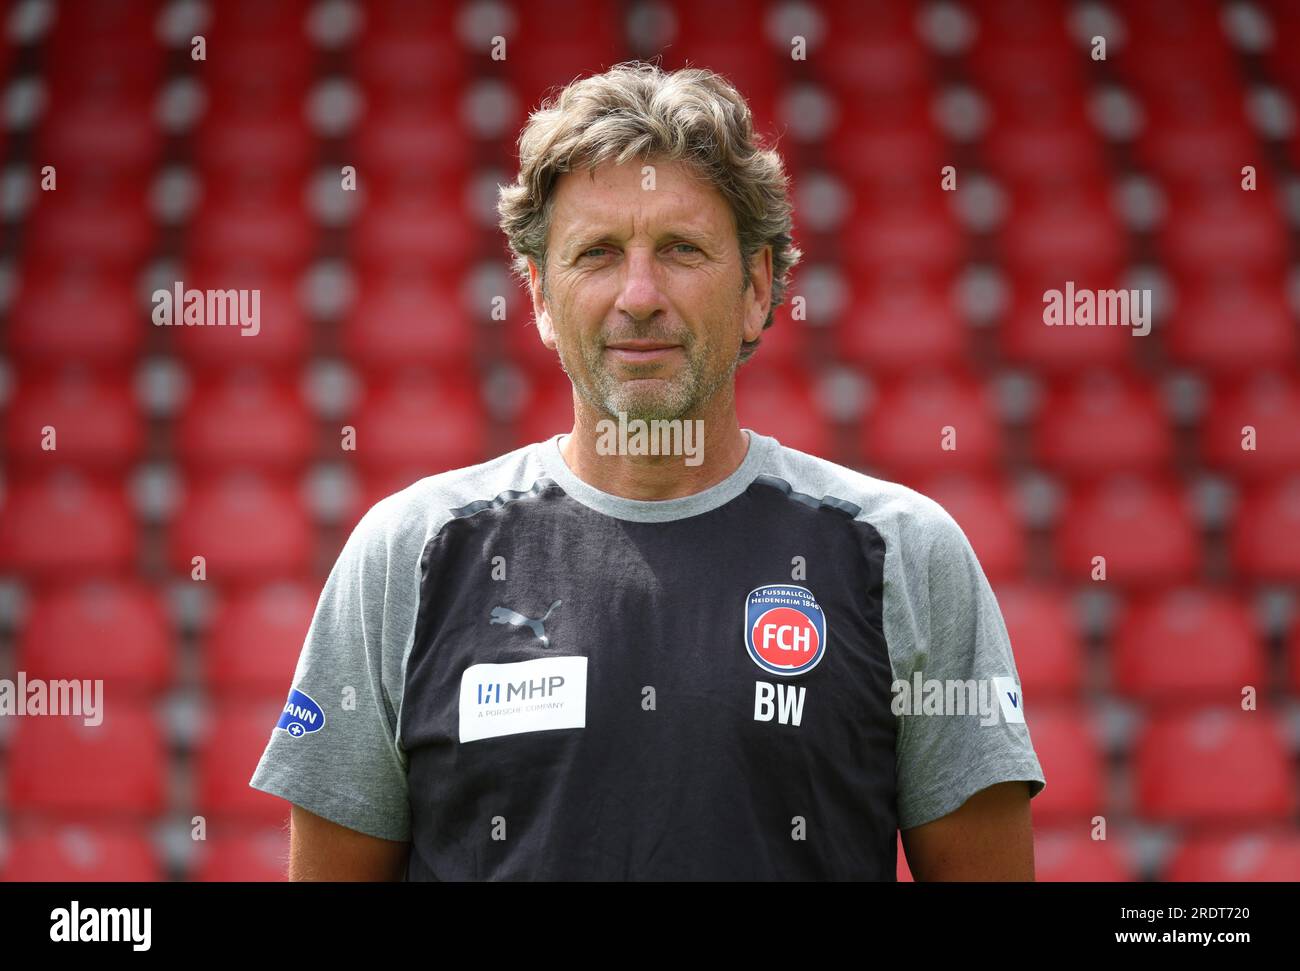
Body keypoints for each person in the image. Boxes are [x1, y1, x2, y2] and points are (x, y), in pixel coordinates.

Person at [250, 61, 1046, 880]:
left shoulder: (905, 556)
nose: (638, 294)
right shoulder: (407, 555)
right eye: (596, 253)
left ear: (757, 285)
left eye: (681, 249)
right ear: (538, 296)